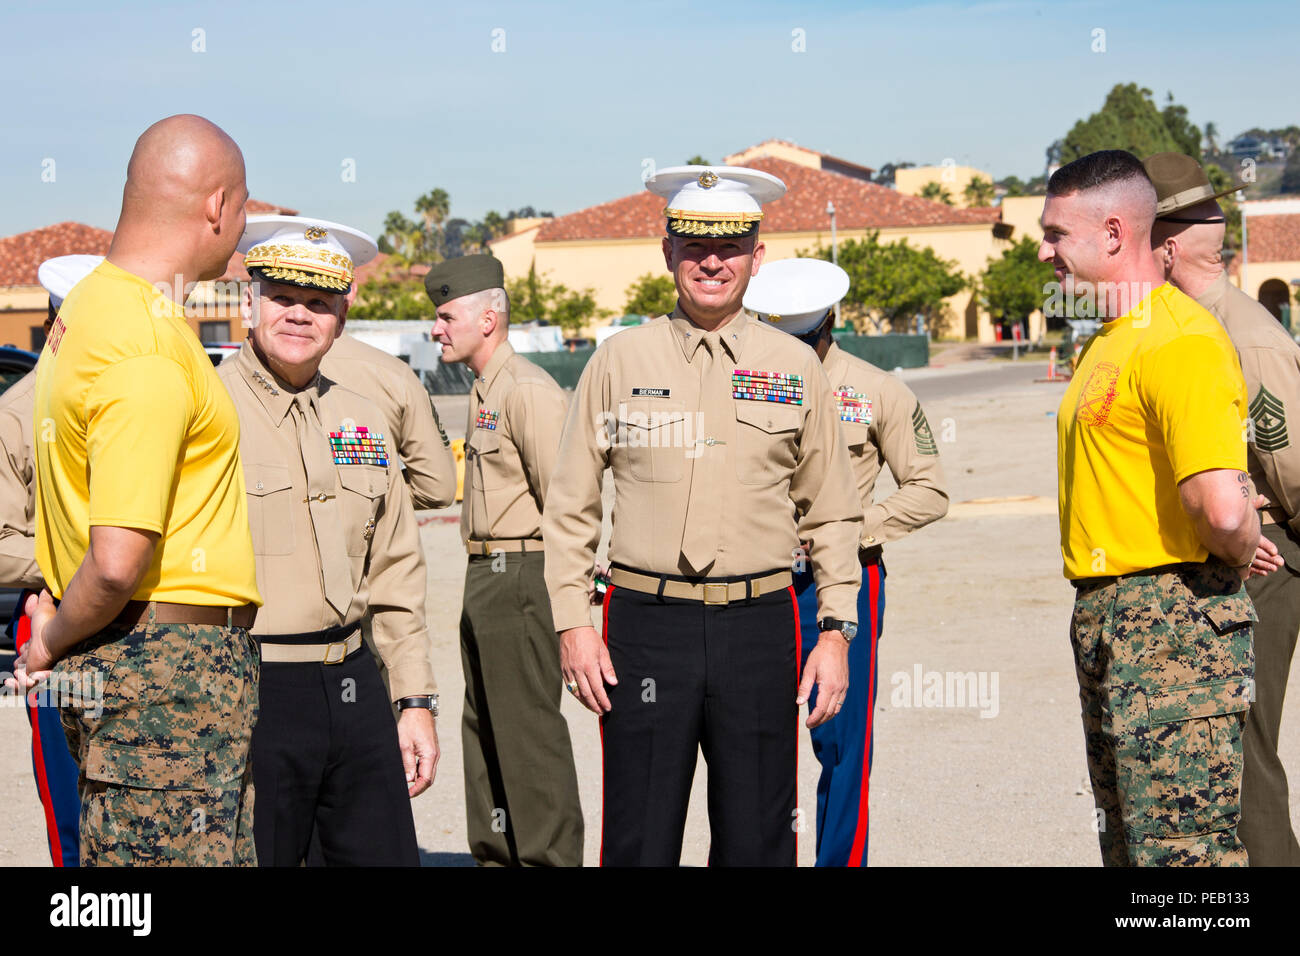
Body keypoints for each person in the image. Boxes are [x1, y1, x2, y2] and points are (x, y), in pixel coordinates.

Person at [542, 165, 864, 866]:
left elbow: (833, 512)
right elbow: (570, 506)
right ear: (667, 252)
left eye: (731, 246)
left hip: (760, 626)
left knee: (758, 837)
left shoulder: (793, 365)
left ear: (757, 255)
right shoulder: (617, 361)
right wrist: (572, 623)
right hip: (644, 627)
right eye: (694, 246)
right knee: (639, 835)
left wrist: (836, 631)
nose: (712, 262)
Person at [7, 114, 262, 866]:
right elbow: (118, 559)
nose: (242, 231)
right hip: (167, 675)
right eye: (243, 209)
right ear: (215, 206)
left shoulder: (95, 309)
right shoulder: (144, 341)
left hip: (152, 664)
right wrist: (51, 639)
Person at [1045, 149, 1261, 867]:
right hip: (1115, 615)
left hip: (1168, 621)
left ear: (1113, 233)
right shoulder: (1113, 339)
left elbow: (1223, 512)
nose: (1044, 253)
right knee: (1135, 848)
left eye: (1055, 235)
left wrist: (1237, 540)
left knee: (1182, 858)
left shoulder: (1181, 341)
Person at [221, 215, 438, 866]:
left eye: (318, 302)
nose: (299, 315)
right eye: (283, 297)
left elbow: (396, 569)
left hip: (354, 685)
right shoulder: (203, 409)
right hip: (246, 689)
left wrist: (415, 700)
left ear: (341, 316)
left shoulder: (364, 420)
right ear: (248, 302)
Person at [744, 257, 948, 866]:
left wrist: (851, 531)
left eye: (803, 340)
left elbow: (929, 489)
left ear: (828, 323)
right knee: (754, 744)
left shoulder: (878, 390)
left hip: (842, 583)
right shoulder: (746, 382)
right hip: (757, 584)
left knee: (841, 745)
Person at [1146, 151, 1300, 865]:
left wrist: (1257, 523)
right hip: (1230, 549)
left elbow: (1291, 468)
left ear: (1169, 247)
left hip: (1266, 554)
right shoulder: (1184, 323)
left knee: (1241, 742)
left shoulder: (1247, 335)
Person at [424, 253, 583, 867]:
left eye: (446, 315)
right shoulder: (488, 388)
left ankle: (548, 860)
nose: (436, 328)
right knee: (484, 730)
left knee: (527, 737)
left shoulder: (527, 391)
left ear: (488, 318)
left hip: (522, 576)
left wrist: (576, 604)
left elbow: (567, 507)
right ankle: (497, 856)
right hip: (485, 575)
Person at [0, 255, 101, 867]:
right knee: (75, 814)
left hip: (156, 624)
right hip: (58, 627)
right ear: (55, 322)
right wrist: (95, 565)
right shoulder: (19, 411)